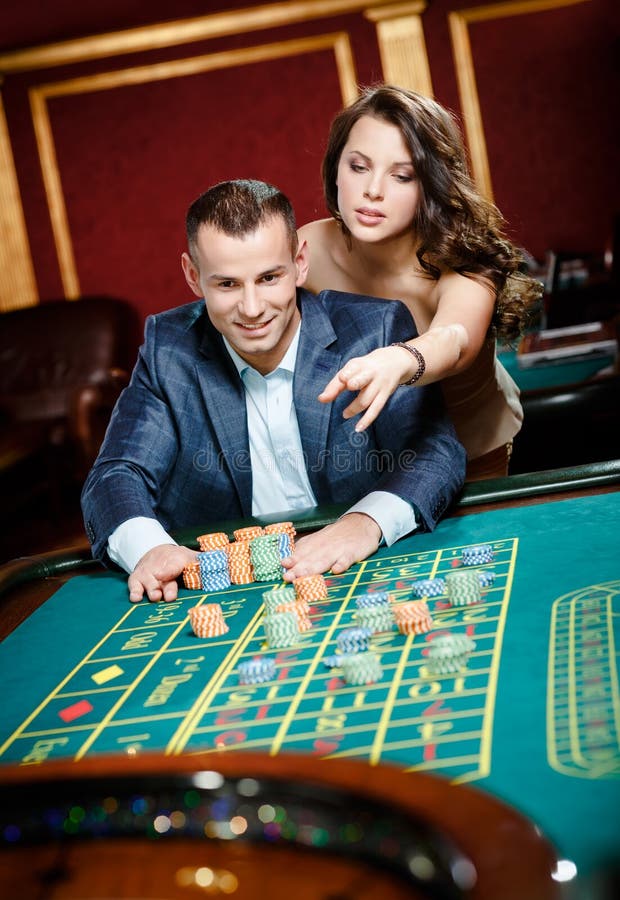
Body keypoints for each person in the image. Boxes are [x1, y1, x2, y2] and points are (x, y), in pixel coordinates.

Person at [82, 179, 465, 603]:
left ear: (299, 263)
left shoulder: (375, 329)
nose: (252, 308)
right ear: (193, 276)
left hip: (359, 570)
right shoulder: (168, 349)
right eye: (227, 284)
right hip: (230, 596)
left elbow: (435, 454)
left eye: (268, 277)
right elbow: (115, 475)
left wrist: (365, 523)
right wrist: (149, 548)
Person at [298, 84, 543, 480]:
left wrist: (399, 359)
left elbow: (454, 338)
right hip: (373, 459)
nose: (372, 191)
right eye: (358, 166)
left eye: (402, 176)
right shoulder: (306, 249)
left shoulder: (468, 257)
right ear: (335, 168)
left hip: (473, 452)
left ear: (430, 182)